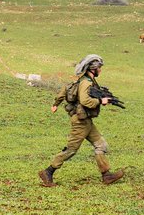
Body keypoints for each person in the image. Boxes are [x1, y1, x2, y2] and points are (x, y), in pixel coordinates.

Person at [39, 54, 124, 187]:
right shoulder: (86, 82)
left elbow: (64, 91)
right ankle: (48, 172)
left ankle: (106, 175)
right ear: (93, 69)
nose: (100, 70)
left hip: (87, 121)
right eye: (99, 68)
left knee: (101, 145)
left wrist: (56, 104)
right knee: (71, 150)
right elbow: (85, 101)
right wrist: (101, 101)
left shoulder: (84, 80)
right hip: (81, 122)